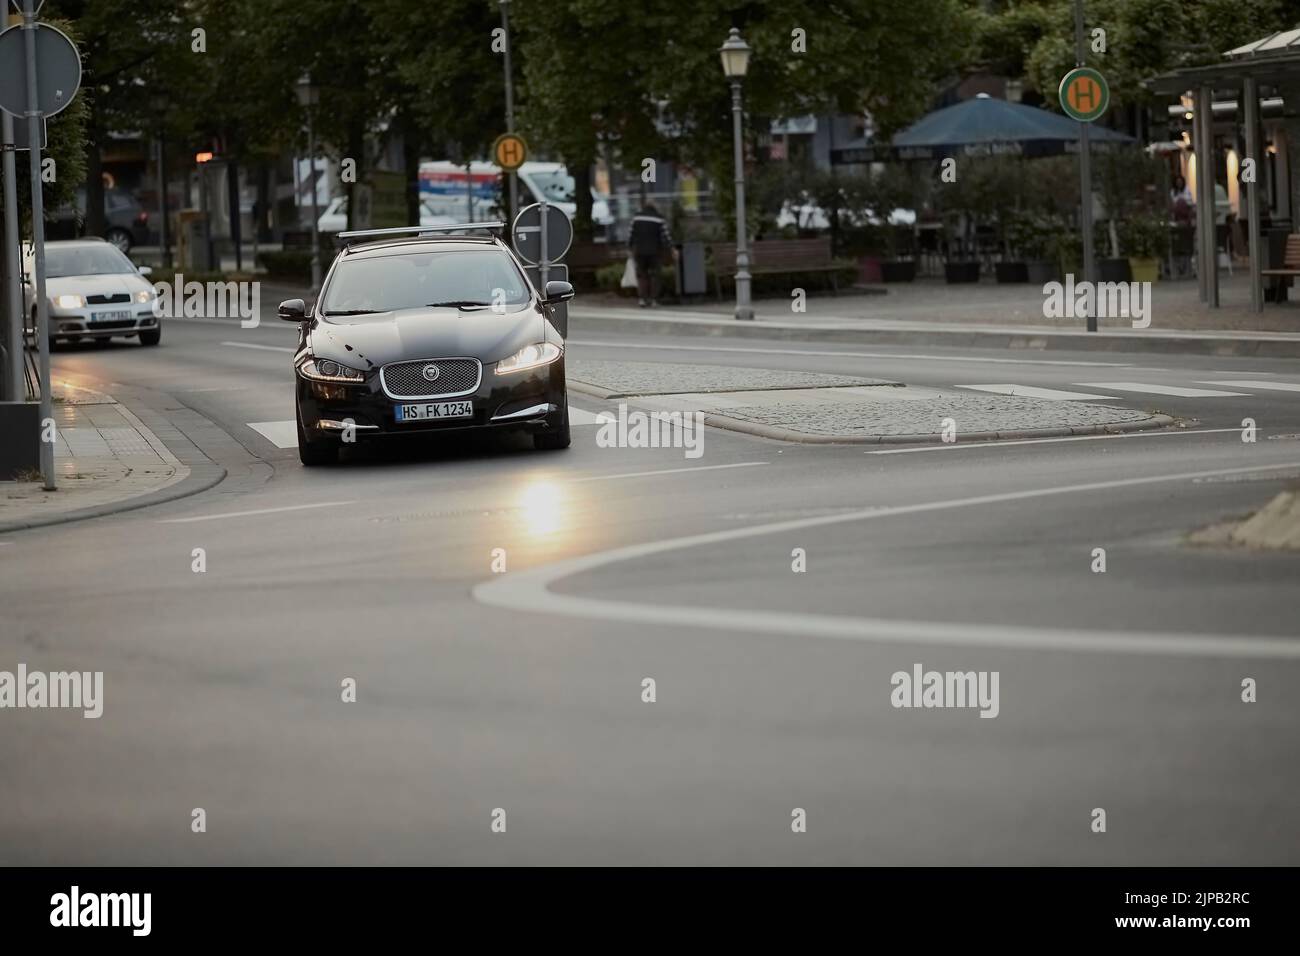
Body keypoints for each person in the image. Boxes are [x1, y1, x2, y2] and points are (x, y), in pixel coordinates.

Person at [629, 203, 672, 307]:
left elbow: (631, 234)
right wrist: (671, 248)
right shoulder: (659, 219)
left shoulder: (636, 218)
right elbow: (665, 236)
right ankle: (654, 300)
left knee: (642, 275)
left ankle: (642, 299)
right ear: (655, 208)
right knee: (655, 276)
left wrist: (630, 247)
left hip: (639, 251)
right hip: (655, 251)